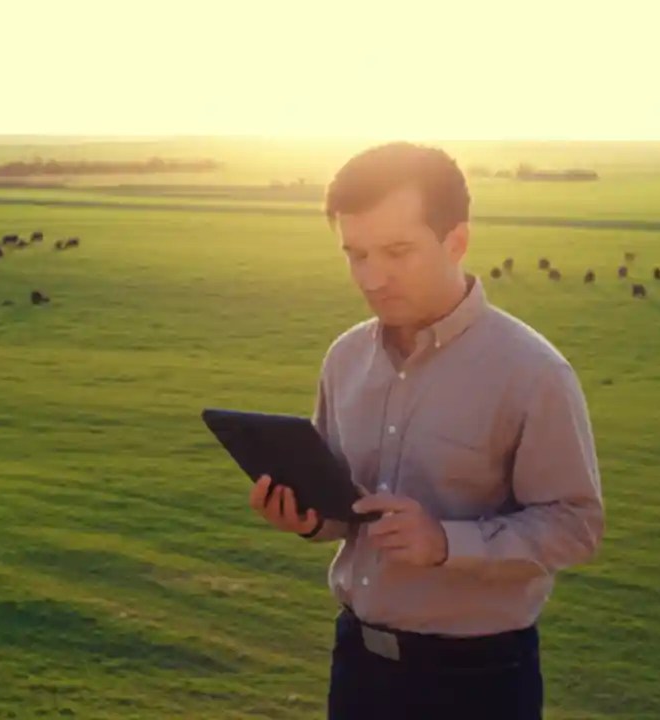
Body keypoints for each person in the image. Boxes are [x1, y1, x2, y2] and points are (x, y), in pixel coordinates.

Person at [248, 141, 604, 720]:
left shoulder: (534, 372)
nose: (372, 277)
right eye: (355, 254)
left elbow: (576, 526)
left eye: (396, 251)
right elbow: (346, 509)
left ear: (457, 241)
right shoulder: (344, 359)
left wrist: (445, 543)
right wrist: (309, 518)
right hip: (358, 669)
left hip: (477, 682)